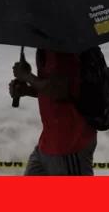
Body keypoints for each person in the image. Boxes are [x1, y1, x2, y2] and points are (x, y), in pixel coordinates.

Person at [9, 48, 98, 176]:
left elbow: (60, 90)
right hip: (48, 142)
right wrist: (26, 90)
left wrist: (27, 76)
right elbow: (56, 90)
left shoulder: (63, 49)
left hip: (70, 144)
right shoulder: (46, 46)